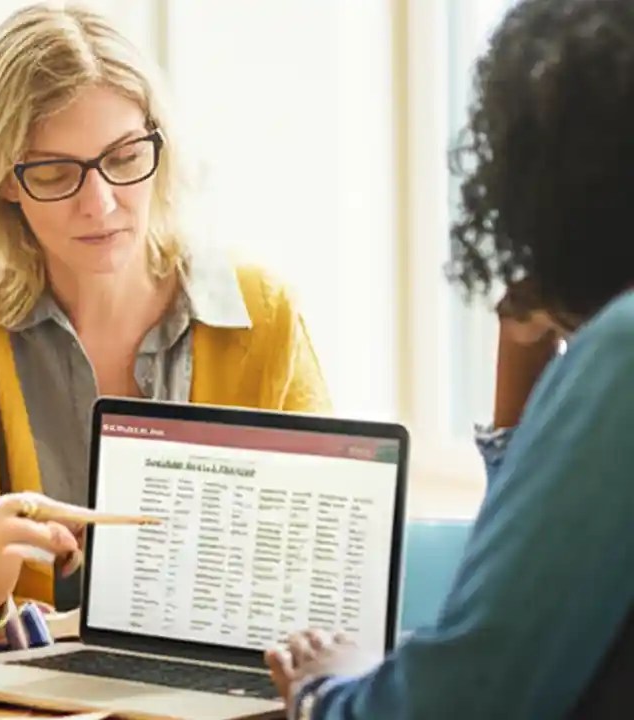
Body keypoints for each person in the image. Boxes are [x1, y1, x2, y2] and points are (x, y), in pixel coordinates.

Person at [0, 2, 331, 634]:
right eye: (54, 173)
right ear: (5, 181)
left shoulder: (262, 310)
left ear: (161, 147)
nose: (99, 204)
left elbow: (319, 552)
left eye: (125, 159)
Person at [265, 0, 634, 717]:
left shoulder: (623, 351)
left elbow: (464, 696)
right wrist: (524, 381)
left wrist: (325, 691)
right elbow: (536, 570)